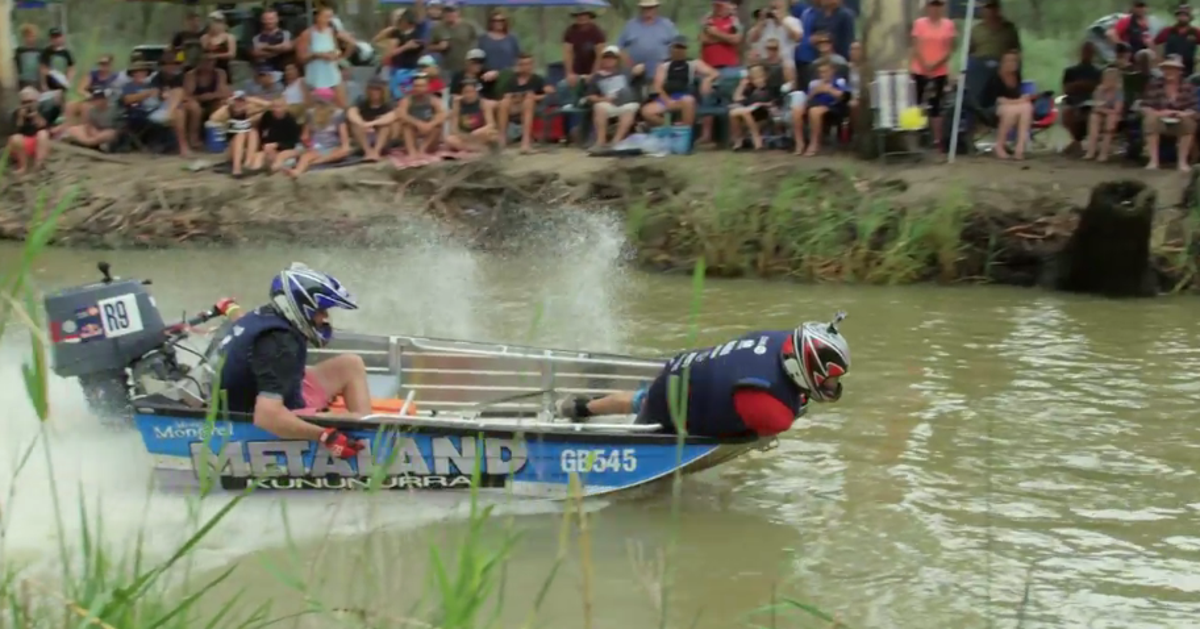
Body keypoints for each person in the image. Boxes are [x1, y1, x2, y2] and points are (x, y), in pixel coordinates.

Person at [556, 313, 851, 438]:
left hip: (683, 367)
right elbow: (749, 431)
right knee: (642, 433)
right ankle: (587, 432)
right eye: (830, 378)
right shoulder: (775, 411)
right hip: (674, 401)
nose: (832, 385)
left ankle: (582, 407)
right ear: (808, 367)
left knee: (642, 399)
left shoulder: (779, 340)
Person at [213, 263, 369, 459]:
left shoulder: (265, 314)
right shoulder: (281, 345)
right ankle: (363, 445)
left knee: (351, 364)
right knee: (349, 420)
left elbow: (240, 319)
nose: (325, 318)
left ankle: (367, 431)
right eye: (321, 311)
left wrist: (231, 309)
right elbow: (266, 416)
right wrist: (325, 436)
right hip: (259, 410)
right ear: (303, 308)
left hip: (269, 390)